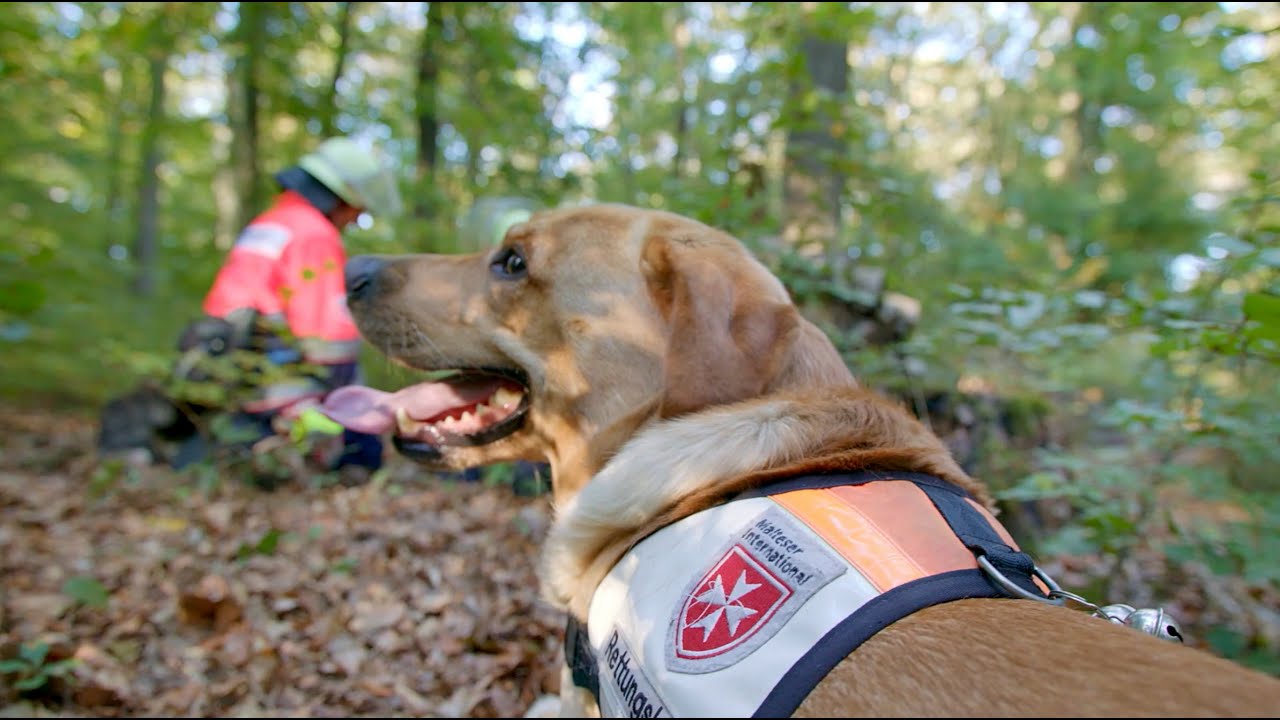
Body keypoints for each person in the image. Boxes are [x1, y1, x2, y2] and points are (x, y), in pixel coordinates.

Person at [174, 135, 403, 477]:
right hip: (273, 369)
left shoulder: (270, 222)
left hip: (227, 363)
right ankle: (350, 472)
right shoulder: (314, 234)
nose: (355, 219)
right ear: (339, 197)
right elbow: (326, 336)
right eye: (357, 210)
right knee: (359, 424)